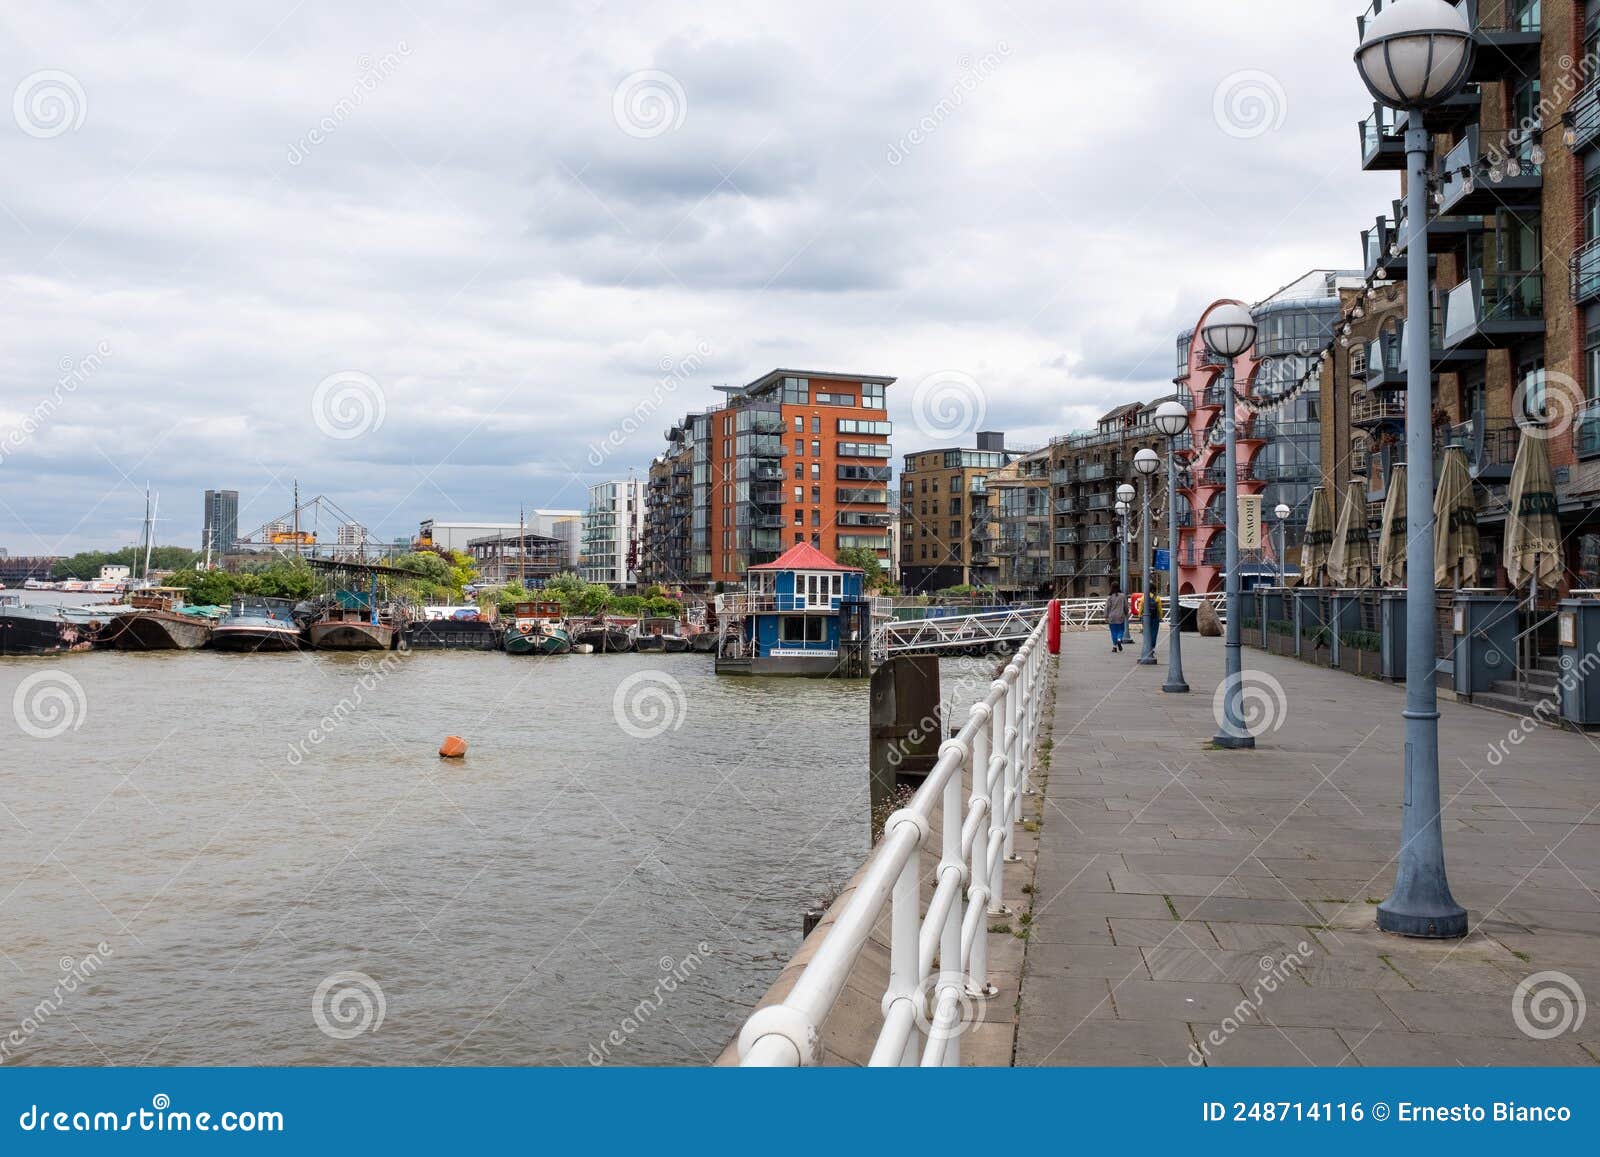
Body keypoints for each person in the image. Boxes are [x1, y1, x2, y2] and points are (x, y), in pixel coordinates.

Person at [1104, 583, 1128, 653]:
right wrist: (1126, 613)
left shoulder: (1110, 597)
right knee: (1121, 630)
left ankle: (1114, 647)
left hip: (1112, 617)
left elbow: (1107, 607)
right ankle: (1119, 639)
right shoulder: (1123, 596)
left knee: (1113, 632)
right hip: (1120, 616)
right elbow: (1126, 606)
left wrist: (1106, 616)